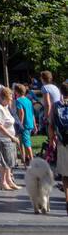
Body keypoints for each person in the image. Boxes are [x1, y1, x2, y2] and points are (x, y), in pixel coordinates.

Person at [0, 85, 21, 192]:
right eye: (10, 98)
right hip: (1, 138)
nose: (11, 99)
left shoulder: (5, 106)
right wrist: (11, 136)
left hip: (7, 138)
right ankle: (3, 182)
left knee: (9, 160)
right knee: (3, 161)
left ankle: (9, 180)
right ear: (4, 98)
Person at [48, 80, 68, 213]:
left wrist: (52, 140)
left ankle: (67, 199)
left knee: (66, 175)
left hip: (63, 143)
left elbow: (51, 125)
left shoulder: (56, 106)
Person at [12, 83, 35, 167]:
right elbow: (32, 113)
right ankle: (24, 160)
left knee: (26, 143)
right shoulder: (28, 100)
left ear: (17, 92)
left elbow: (21, 112)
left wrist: (20, 124)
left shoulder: (18, 101)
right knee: (23, 141)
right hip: (29, 123)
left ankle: (31, 160)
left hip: (24, 124)